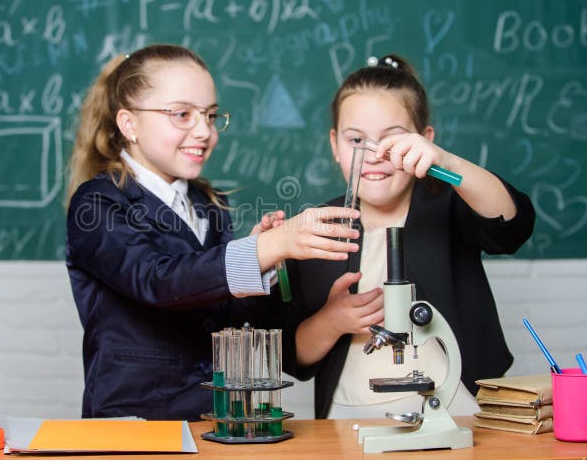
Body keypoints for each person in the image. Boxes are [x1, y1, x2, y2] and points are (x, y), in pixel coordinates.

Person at [65, 44, 360, 421]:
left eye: (211, 115)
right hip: (134, 424)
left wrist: (262, 259)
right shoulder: (99, 202)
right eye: (182, 115)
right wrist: (263, 248)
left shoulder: (208, 202)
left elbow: (222, 316)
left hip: (213, 419)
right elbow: (157, 281)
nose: (204, 131)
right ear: (129, 124)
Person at [249, 54, 535, 419]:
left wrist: (446, 162)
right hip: (345, 423)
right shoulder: (316, 229)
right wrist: (333, 321)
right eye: (357, 139)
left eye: (394, 140)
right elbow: (293, 357)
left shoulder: (450, 206)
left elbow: (512, 225)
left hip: (461, 412)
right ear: (335, 145)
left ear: (425, 141)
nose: (374, 155)